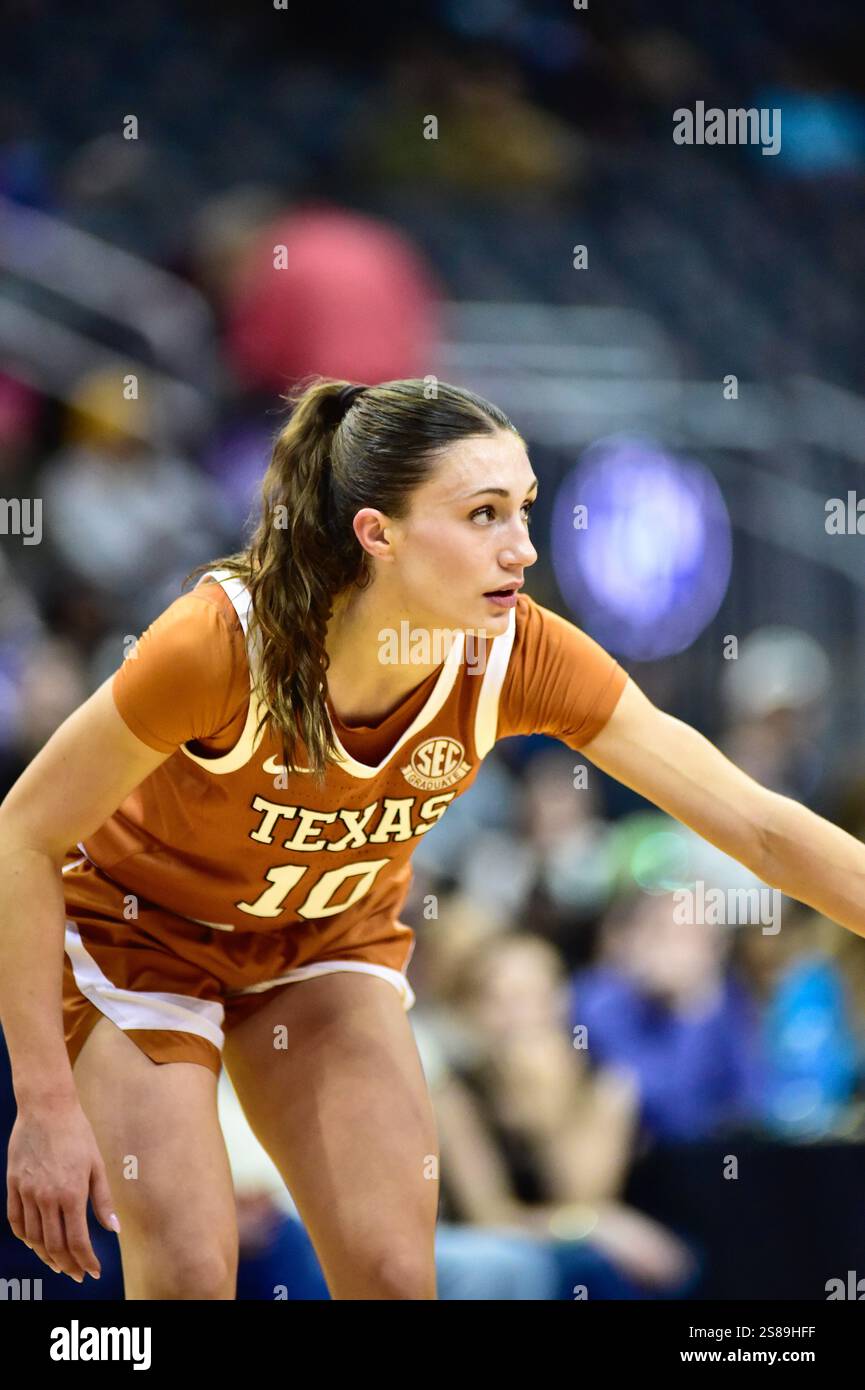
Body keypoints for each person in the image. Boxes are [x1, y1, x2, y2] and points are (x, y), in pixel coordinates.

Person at [2, 376, 865, 1300]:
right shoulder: (220, 643)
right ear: (378, 533)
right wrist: (44, 1104)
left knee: (393, 1275)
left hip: (321, 946)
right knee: (190, 1273)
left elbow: (760, 827)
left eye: (524, 510)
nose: (523, 548)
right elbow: (22, 833)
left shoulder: (521, 653)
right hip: (144, 942)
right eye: (484, 514)